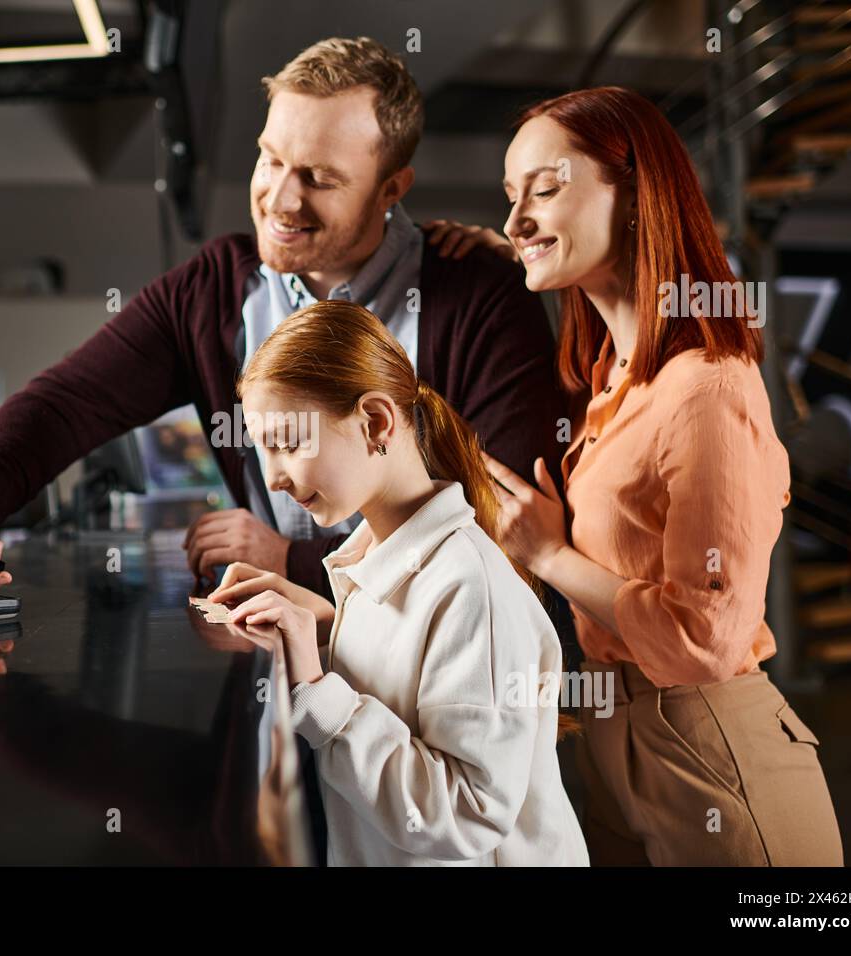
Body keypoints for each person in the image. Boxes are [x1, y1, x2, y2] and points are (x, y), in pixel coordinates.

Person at [0, 36, 565, 606]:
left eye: (319, 178)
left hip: (435, 667)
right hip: (288, 656)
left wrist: (291, 561)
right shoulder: (214, 289)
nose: (280, 198)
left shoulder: (481, 295)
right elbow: (70, 402)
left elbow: (500, 526)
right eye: (271, 158)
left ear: (393, 188)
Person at [485, 86, 843, 865]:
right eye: (510, 197)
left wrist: (551, 556)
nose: (517, 221)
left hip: (713, 746)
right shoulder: (615, 381)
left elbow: (702, 637)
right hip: (614, 744)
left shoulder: (708, 385)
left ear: (639, 196)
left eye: (545, 190)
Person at [206, 300, 588, 866]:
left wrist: (318, 690)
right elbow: (410, 684)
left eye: (287, 443)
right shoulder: (378, 558)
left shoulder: (467, 586)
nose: (275, 478)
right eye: (262, 449)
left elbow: (468, 812)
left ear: (377, 422)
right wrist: (324, 627)